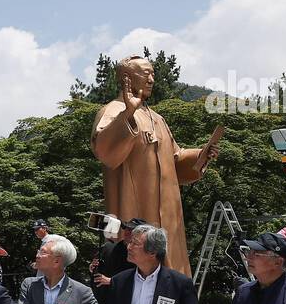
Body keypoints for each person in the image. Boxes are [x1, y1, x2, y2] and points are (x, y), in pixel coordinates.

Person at [91, 55, 220, 275]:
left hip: (167, 214)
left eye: (152, 74)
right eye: (145, 74)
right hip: (134, 208)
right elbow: (104, 150)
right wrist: (127, 114)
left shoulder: (157, 118)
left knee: (171, 269)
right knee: (135, 264)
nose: (151, 79)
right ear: (126, 78)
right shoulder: (113, 110)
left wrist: (201, 155)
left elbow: (175, 159)